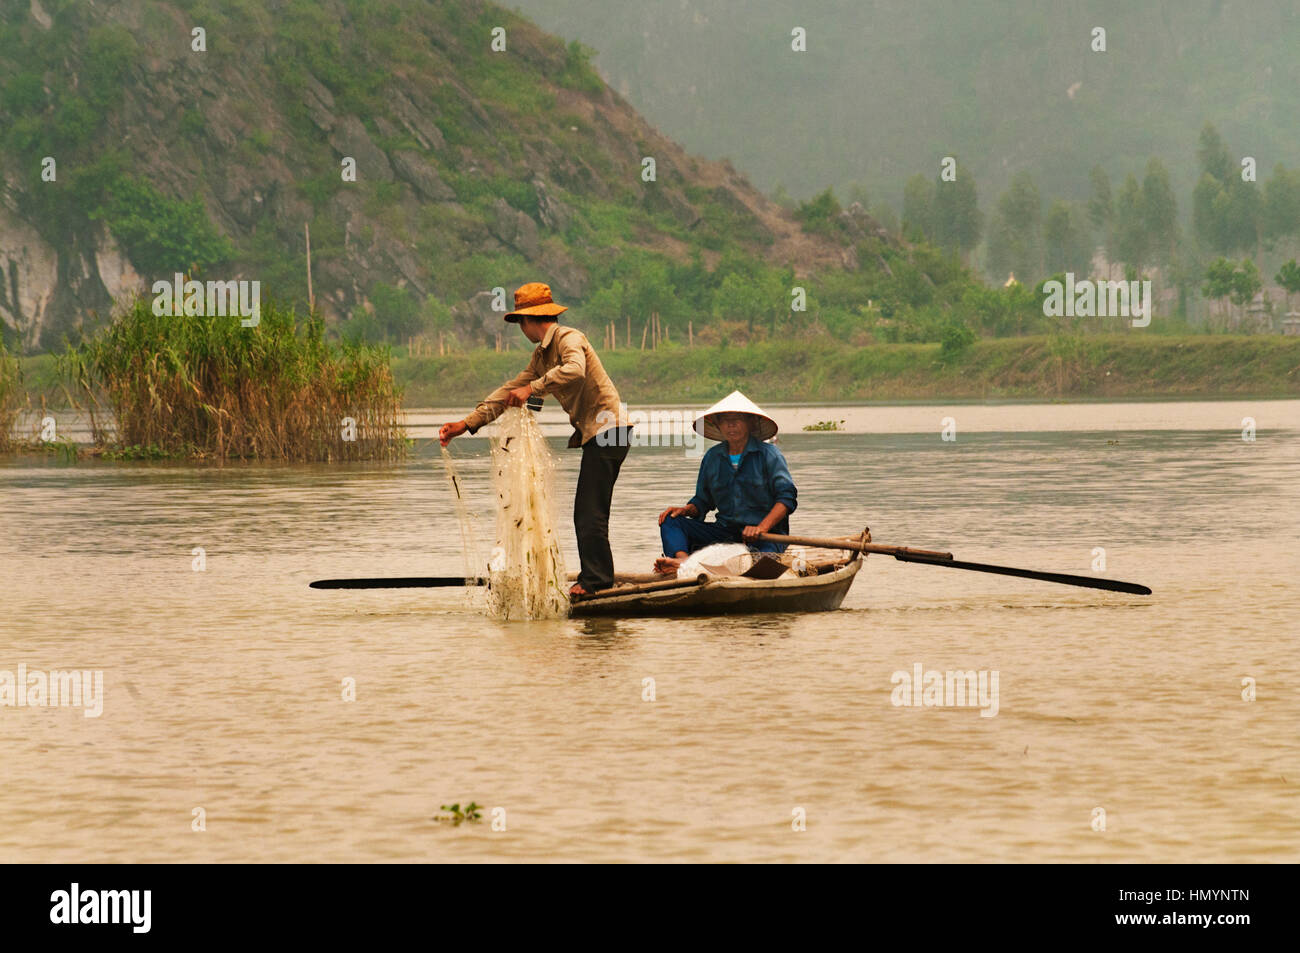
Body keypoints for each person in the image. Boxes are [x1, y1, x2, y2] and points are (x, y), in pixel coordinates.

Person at [439, 282, 632, 596]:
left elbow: (575, 370)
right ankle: (596, 576)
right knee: (589, 510)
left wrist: (534, 389)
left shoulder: (570, 338)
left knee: (589, 511)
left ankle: (596, 582)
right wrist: (467, 423)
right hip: (599, 434)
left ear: (531, 319)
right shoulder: (541, 357)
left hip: (610, 430)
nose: (521, 329)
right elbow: (509, 390)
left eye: (520, 322)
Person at [655, 390, 797, 574]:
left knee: (762, 565)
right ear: (718, 424)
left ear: (750, 422)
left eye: (737, 419)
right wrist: (685, 510)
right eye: (725, 420)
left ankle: (696, 563)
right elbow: (703, 501)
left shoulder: (769, 455)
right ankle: (683, 563)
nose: (731, 425)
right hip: (724, 532)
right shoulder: (713, 457)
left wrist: (760, 528)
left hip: (766, 535)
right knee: (671, 521)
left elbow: (786, 499)